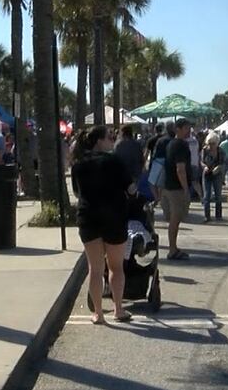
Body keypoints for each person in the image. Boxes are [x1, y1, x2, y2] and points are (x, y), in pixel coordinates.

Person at [71, 126, 134, 325]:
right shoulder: (114, 161)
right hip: (114, 217)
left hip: (88, 217)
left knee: (95, 268)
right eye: (109, 137)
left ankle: (98, 313)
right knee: (116, 267)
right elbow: (130, 188)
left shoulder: (79, 164)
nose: (112, 140)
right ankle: (118, 309)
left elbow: (76, 191)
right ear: (99, 140)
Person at [162, 119, 197, 260]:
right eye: (186, 128)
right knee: (175, 219)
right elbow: (180, 169)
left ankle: (173, 248)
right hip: (176, 188)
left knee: (174, 220)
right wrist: (186, 189)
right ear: (178, 129)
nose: (189, 131)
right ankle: (172, 249)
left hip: (168, 186)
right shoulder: (181, 145)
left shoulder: (170, 143)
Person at [200, 134, 226, 223]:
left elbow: (222, 163)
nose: (211, 145)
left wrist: (218, 168)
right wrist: (205, 167)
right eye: (209, 143)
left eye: (213, 143)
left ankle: (218, 216)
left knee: (218, 195)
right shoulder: (204, 150)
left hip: (217, 174)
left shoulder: (221, 151)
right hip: (207, 174)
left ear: (217, 143)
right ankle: (207, 216)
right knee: (207, 196)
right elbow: (201, 162)